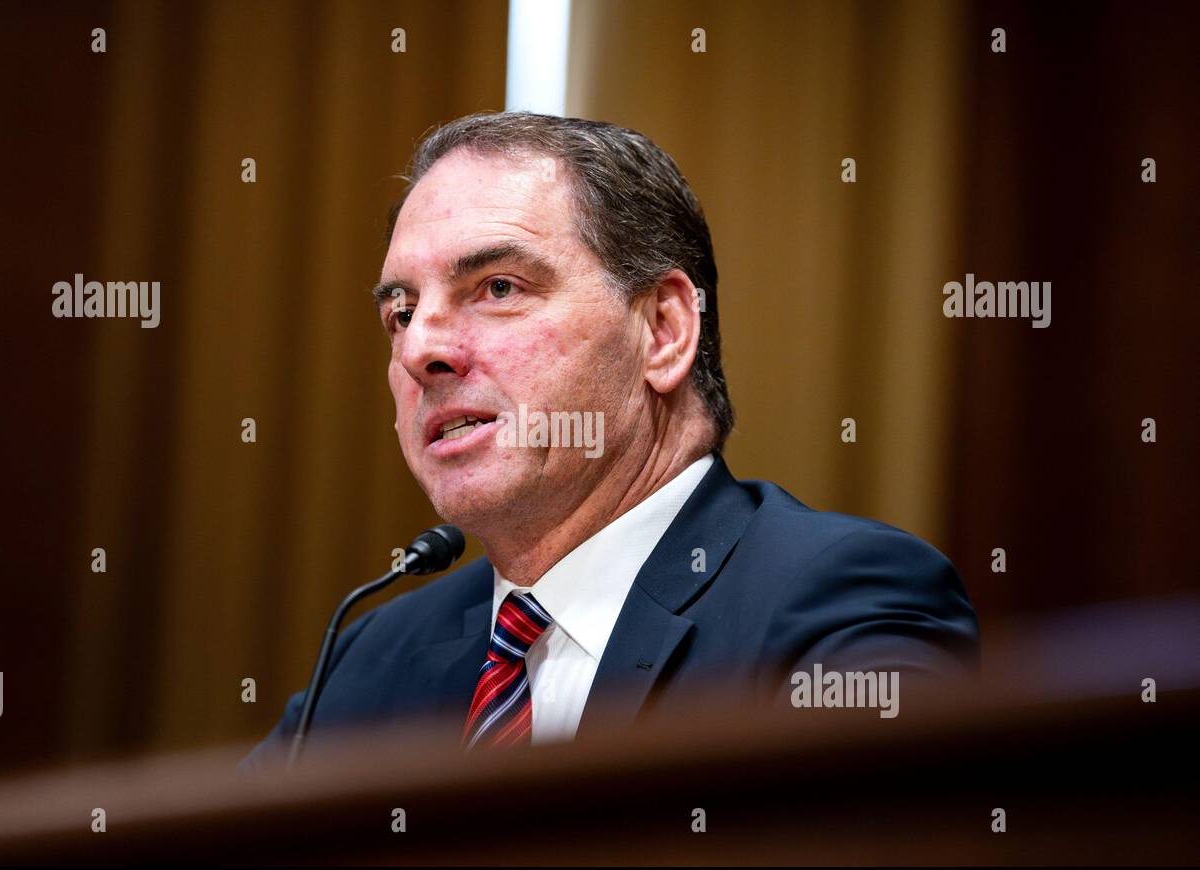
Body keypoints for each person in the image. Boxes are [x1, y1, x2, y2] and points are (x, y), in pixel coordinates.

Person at [240, 111, 977, 772]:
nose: (418, 349)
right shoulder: (370, 662)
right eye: (401, 312)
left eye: (498, 288)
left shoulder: (838, 602)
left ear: (663, 331)